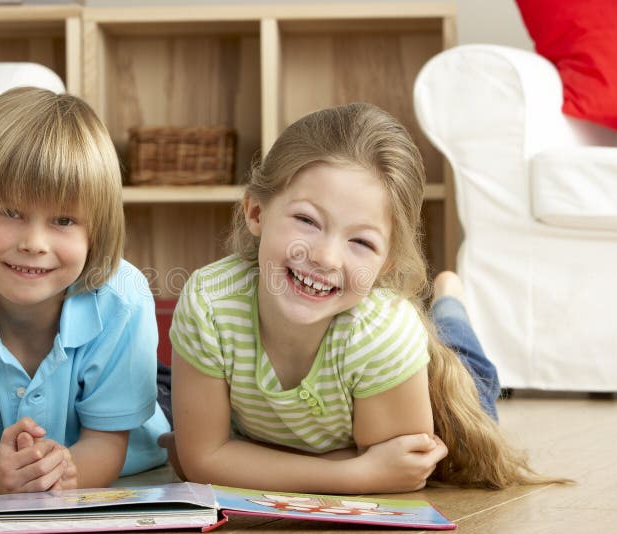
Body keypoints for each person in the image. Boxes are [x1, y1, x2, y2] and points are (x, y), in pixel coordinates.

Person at [164, 102, 545, 493]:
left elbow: (401, 471)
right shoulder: (211, 302)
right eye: (307, 221)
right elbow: (204, 459)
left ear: (386, 264)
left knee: (470, 381)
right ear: (257, 212)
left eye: (361, 241)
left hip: (431, 391)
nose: (325, 257)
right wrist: (354, 473)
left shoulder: (383, 332)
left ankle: (450, 302)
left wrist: (240, 459)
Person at [0, 87, 170, 498]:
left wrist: (61, 476)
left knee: (178, 403)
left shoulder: (124, 298)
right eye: (11, 212)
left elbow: (107, 446)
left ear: (98, 231)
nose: (34, 242)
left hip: (127, 464)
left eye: (63, 219)